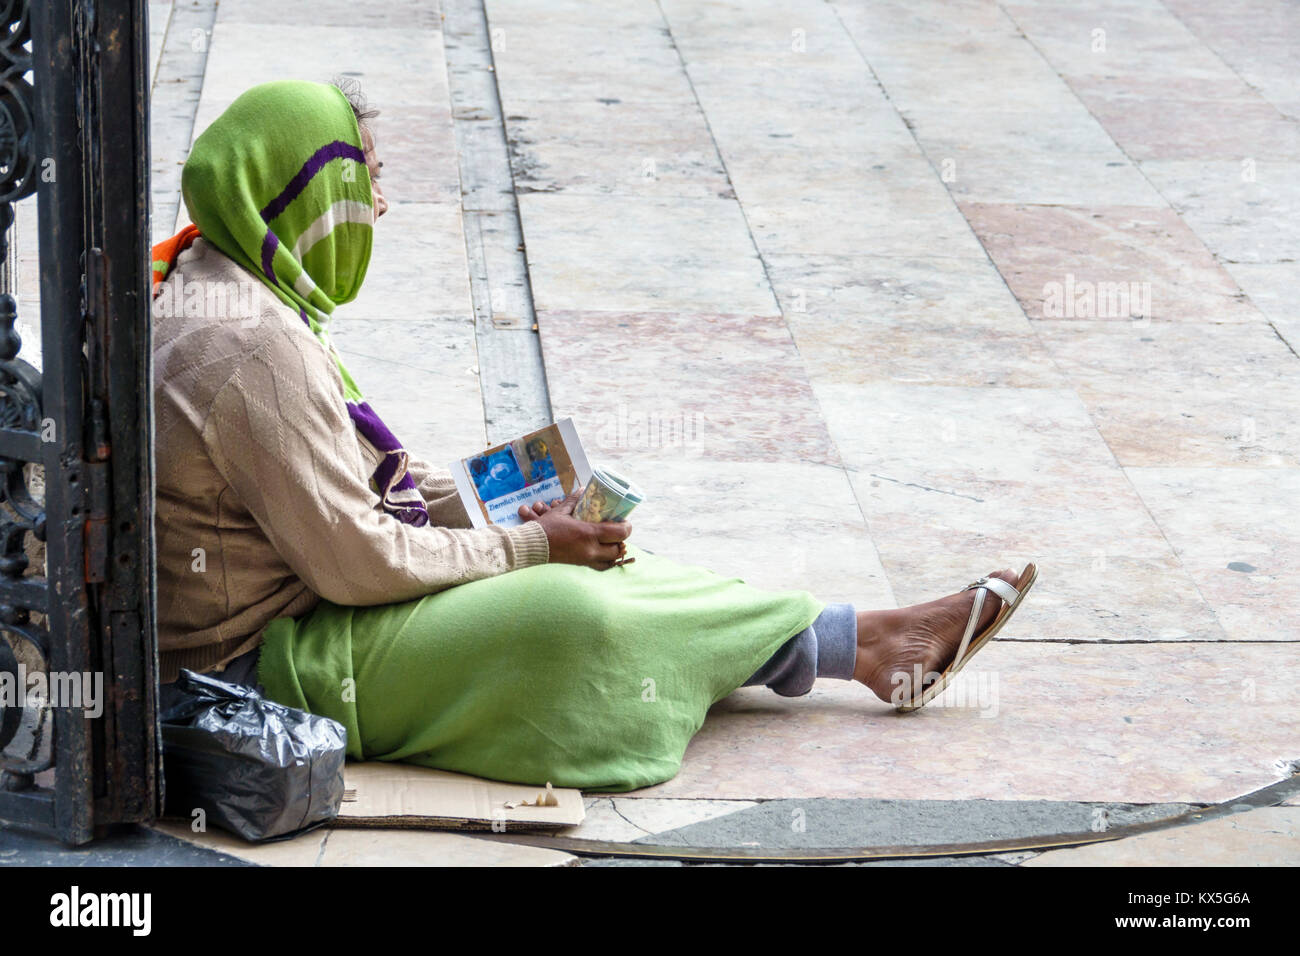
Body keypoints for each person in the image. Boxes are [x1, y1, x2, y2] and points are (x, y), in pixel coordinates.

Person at [151, 79, 1037, 792]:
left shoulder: (228, 281)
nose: (380, 206)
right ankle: (845, 645)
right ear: (312, 189)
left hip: (306, 608)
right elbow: (358, 562)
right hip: (256, 665)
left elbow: (344, 475)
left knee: (605, 559)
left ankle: (865, 640)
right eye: (367, 179)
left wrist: (496, 501)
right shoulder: (250, 343)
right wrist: (528, 544)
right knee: (566, 610)